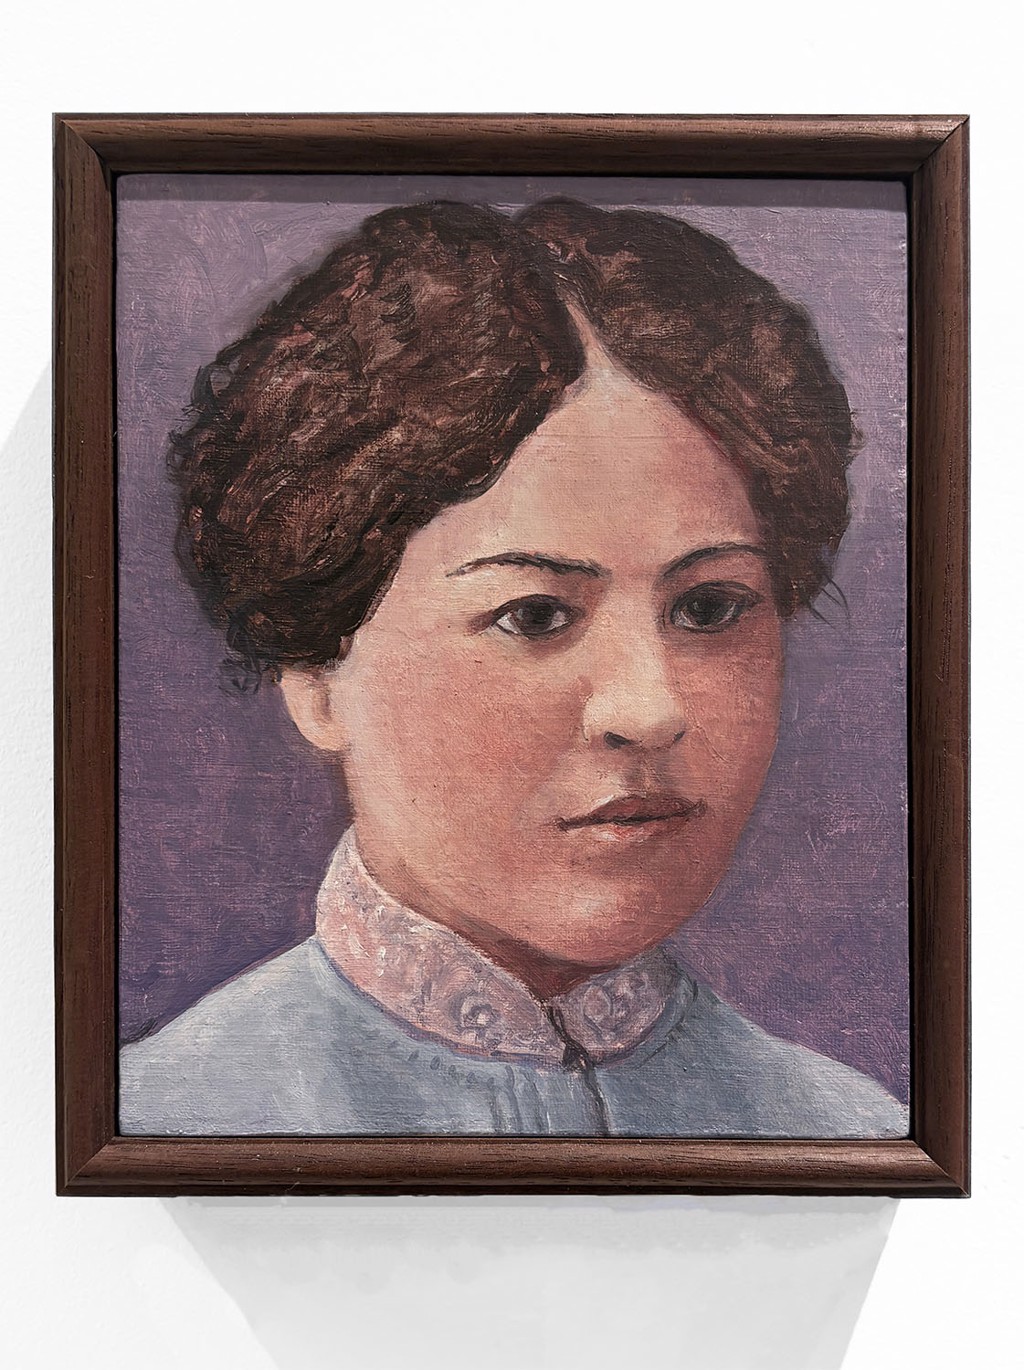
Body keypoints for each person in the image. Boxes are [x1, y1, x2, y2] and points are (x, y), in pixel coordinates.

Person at [120, 196, 908, 1138]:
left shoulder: (848, 1135)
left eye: (709, 608)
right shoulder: (164, 1124)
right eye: (535, 616)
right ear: (317, 674)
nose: (648, 708)